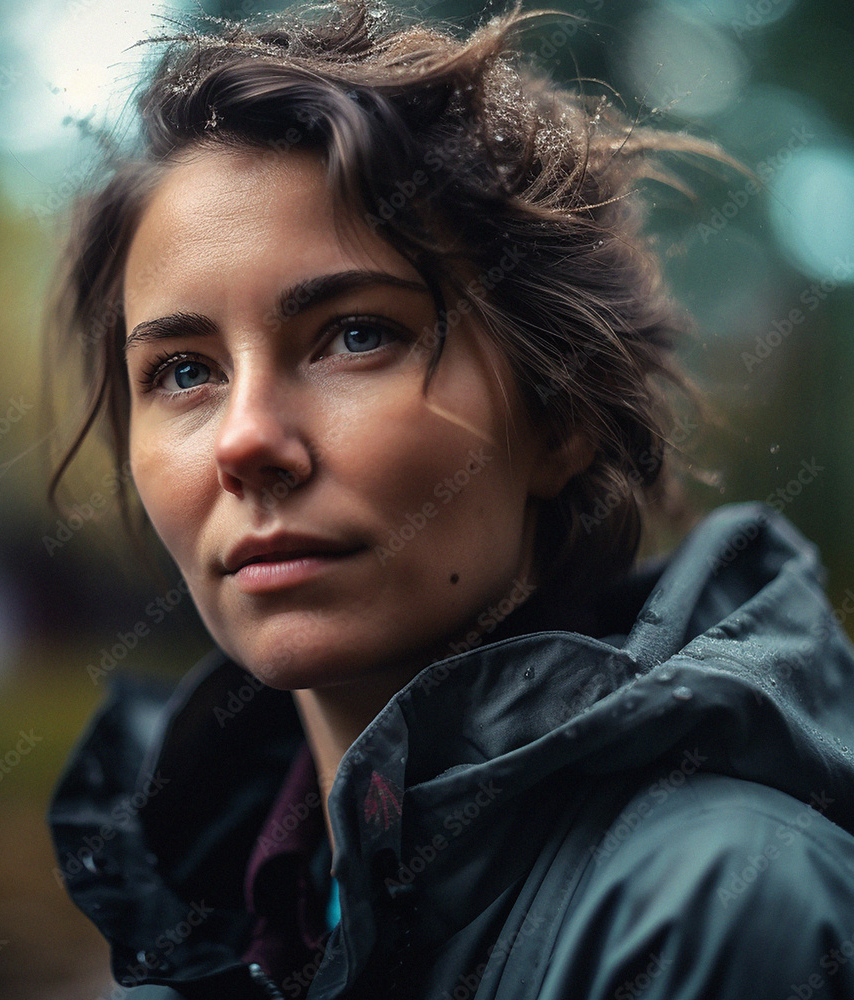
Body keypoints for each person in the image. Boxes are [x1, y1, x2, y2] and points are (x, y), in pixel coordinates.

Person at [46, 2, 854, 997]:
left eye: (354, 335)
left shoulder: (715, 912)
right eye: (180, 371)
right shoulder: (194, 903)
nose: (246, 439)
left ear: (556, 418)